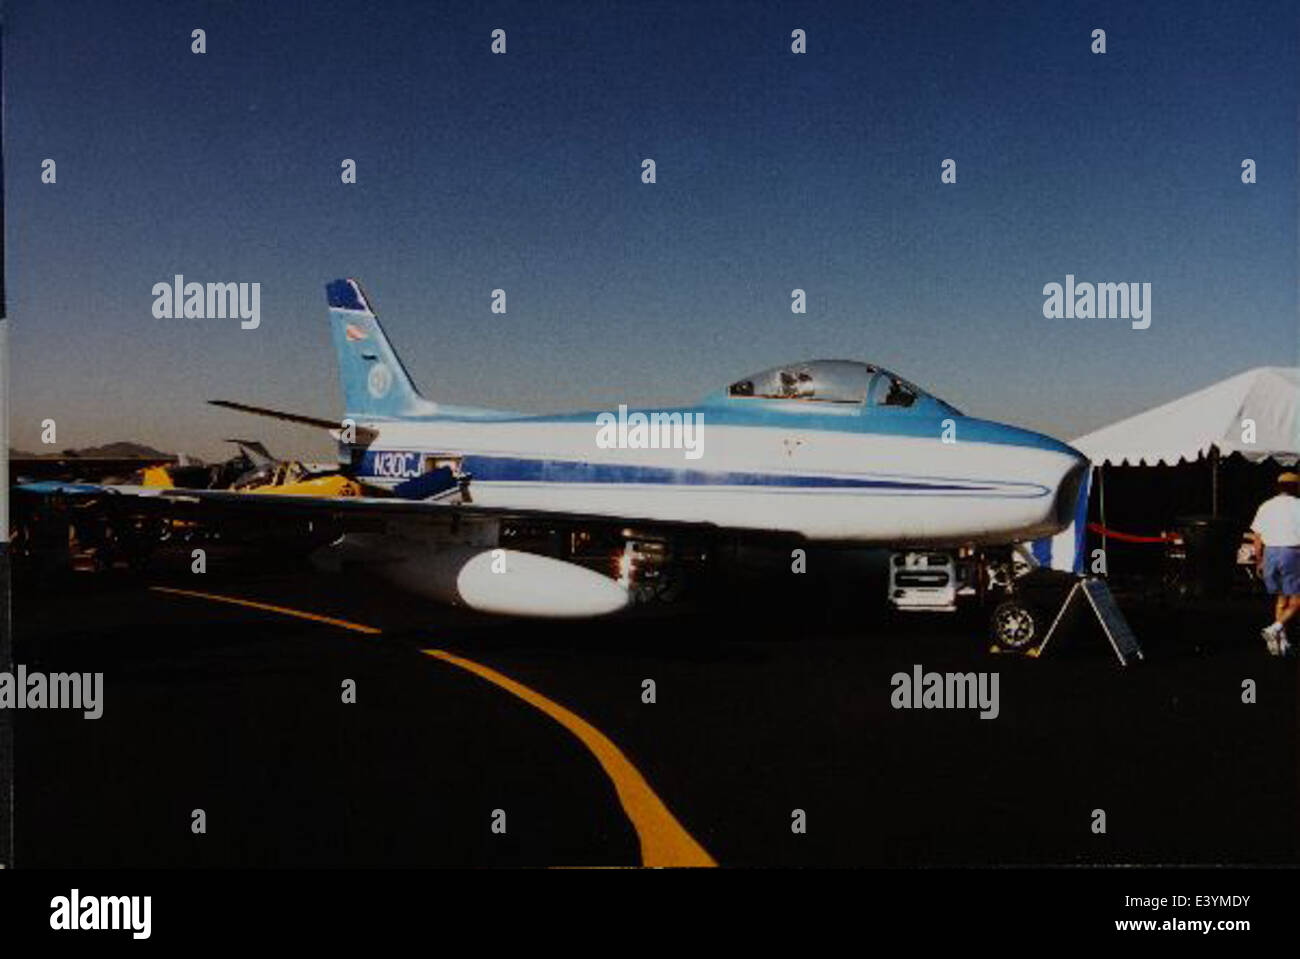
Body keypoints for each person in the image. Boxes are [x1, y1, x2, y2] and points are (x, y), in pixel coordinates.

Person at [1249, 471, 1300, 656]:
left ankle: (1281, 643)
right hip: (1291, 552)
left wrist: (1259, 560)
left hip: (1271, 553)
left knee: (1281, 598)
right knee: (1296, 601)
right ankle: (1275, 628)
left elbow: (1257, 536)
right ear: (1295, 487)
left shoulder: (1266, 506)